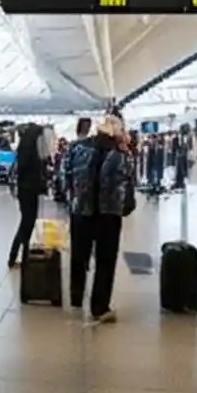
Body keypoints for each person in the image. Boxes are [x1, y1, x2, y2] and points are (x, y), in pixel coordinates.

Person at [69, 114, 134, 325]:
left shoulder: (77, 148)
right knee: (105, 261)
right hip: (108, 215)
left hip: (81, 211)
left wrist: (74, 198)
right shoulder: (120, 154)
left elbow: (64, 175)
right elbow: (128, 183)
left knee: (78, 254)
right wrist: (125, 207)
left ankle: (76, 297)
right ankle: (99, 307)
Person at [8, 123, 47, 268]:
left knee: (27, 223)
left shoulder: (24, 148)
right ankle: (16, 256)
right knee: (26, 224)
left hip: (25, 191)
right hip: (29, 191)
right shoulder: (30, 151)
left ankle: (21, 255)